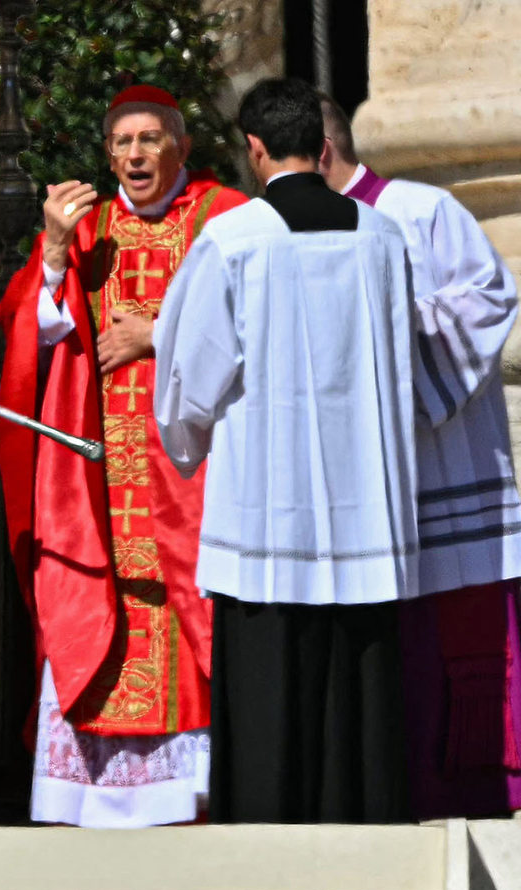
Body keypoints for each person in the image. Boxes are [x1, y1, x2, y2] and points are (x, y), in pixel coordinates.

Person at [154, 78, 420, 823]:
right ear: (324, 146)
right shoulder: (384, 237)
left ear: (256, 149)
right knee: (358, 692)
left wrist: (184, 440)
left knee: (275, 694)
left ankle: (270, 847)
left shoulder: (234, 242)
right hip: (366, 508)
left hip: (267, 512)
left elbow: (191, 375)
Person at [0, 85, 245, 827]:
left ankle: (189, 794)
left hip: (192, 474)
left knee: (184, 608)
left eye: (149, 140)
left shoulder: (222, 217)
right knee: (97, 608)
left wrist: (157, 331)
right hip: (102, 478)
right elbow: (30, 328)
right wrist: (49, 252)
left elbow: (253, 312)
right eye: (122, 145)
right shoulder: (88, 228)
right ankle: (97, 799)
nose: (135, 156)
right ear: (108, 157)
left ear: (181, 148)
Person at [318, 92, 521, 819]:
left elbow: (493, 297)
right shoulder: (295, 230)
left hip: (444, 469)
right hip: (358, 495)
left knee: (458, 653)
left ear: (319, 149)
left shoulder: (421, 210)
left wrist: (387, 362)